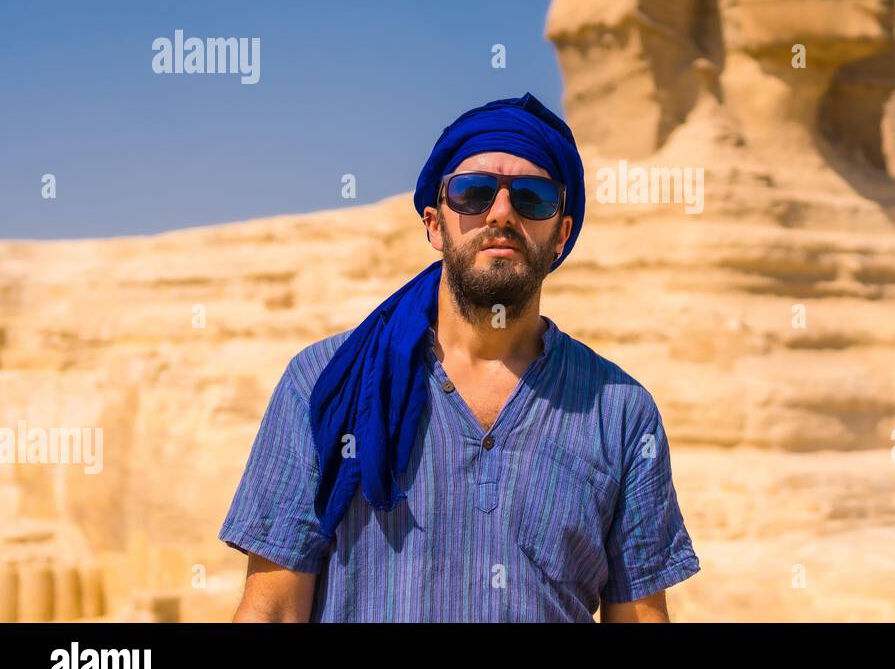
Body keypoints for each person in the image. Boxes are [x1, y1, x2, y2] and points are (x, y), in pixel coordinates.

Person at [218, 92, 700, 622]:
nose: (501, 214)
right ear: (433, 223)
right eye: (472, 194)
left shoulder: (620, 413)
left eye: (533, 198)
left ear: (561, 234)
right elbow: (273, 609)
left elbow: (639, 615)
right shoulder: (326, 383)